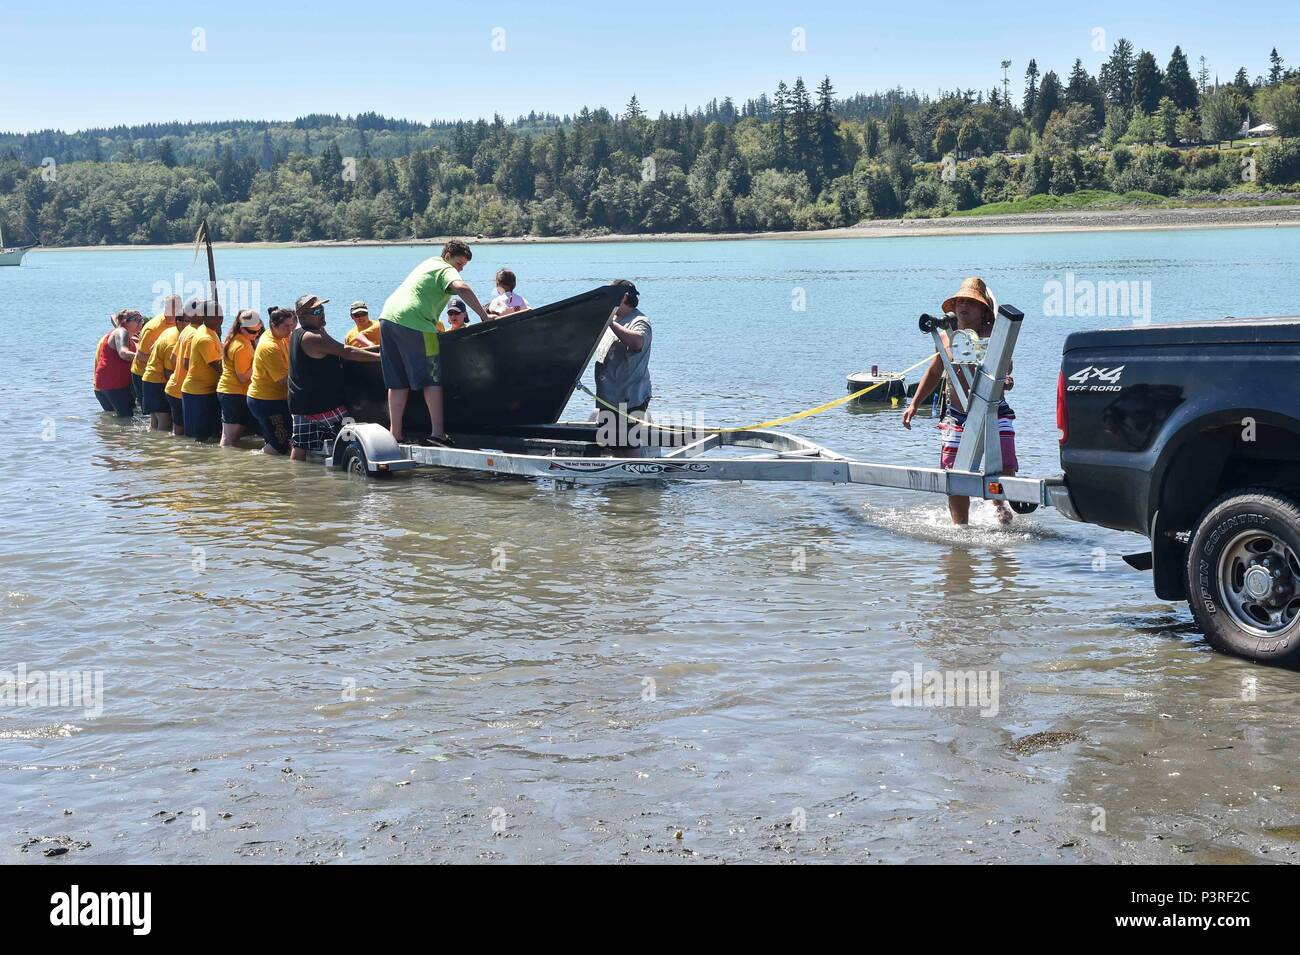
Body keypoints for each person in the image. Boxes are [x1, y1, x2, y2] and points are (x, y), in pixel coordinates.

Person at [902, 276, 1018, 526]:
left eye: (970, 303)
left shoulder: (995, 335)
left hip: (994, 409)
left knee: (1006, 465)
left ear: (983, 310)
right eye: (960, 302)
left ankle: (1000, 507)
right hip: (958, 413)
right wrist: (913, 404)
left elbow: (1006, 366)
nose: (963, 307)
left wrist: (1006, 379)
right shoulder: (948, 337)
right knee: (954, 474)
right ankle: (960, 526)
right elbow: (934, 372)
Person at [378, 239, 491, 445]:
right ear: (448, 256)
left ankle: (395, 434)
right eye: (459, 264)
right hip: (416, 323)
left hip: (387, 319)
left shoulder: (428, 263)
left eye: (463, 267)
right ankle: (438, 433)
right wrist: (484, 316)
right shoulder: (444, 267)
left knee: (398, 382)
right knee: (432, 379)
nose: (460, 269)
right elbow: (461, 287)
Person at [287, 294, 380, 461]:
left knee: (300, 445)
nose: (322, 314)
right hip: (326, 405)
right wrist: (381, 358)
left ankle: (298, 483)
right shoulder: (312, 337)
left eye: (322, 309)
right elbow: (346, 351)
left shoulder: (297, 334)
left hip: (301, 404)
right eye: (316, 311)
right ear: (303, 317)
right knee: (353, 436)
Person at [593, 280, 652, 452]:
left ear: (624, 297)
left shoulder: (640, 320)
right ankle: (612, 477)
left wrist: (610, 322)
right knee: (608, 444)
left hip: (630, 397)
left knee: (626, 445)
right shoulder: (614, 318)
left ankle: (633, 477)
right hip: (608, 397)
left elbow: (637, 343)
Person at [246, 306, 296, 455]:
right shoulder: (270, 346)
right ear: (273, 326)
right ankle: (253, 462)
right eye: (286, 326)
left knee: (281, 441)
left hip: (275, 399)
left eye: (291, 324)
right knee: (280, 445)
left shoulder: (282, 336)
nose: (290, 329)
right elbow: (282, 379)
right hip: (266, 401)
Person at [217, 309, 265, 447]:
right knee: (229, 438)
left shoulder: (236, 338)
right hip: (233, 393)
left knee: (232, 436)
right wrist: (259, 362)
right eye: (252, 332)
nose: (256, 335)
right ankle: (226, 464)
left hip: (231, 392)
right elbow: (243, 377)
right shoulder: (241, 346)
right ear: (241, 328)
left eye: (258, 331)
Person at [180, 300, 224, 442]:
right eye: (215, 315)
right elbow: (218, 366)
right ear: (203, 317)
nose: (220, 318)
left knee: (211, 435)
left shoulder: (211, 331)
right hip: (197, 393)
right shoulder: (204, 337)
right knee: (198, 439)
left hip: (207, 391)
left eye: (221, 314)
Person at [131, 295, 181, 409]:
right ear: (165, 307)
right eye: (172, 307)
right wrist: (160, 363)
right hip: (142, 373)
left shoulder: (180, 322)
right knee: (148, 411)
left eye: (178, 306)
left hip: (165, 373)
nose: (175, 310)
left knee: (163, 409)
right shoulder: (153, 328)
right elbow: (140, 355)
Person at [142, 311, 188, 432]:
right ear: (180, 322)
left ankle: (152, 443)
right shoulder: (174, 343)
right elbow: (168, 372)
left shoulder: (170, 330)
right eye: (189, 321)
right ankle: (163, 447)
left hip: (148, 378)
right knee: (165, 421)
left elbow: (152, 348)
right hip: (158, 381)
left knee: (154, 421)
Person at [93, 310, 143, 417]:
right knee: (126, 419)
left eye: (141, 319)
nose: (141, 322)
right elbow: (123, 353)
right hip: (113, 385)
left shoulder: (128, 335)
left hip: (105, 385)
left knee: (116, 419)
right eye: (136, 320)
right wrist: (146, 358)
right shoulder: (121, 332)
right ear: (125, 322)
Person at [164, 306, 201, 437]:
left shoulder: (186, 330)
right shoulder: (194, 334)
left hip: (173, 387)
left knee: (177, 433)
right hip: (182, 392)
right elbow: (186, 364)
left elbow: (172, 359)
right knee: (184, 434)